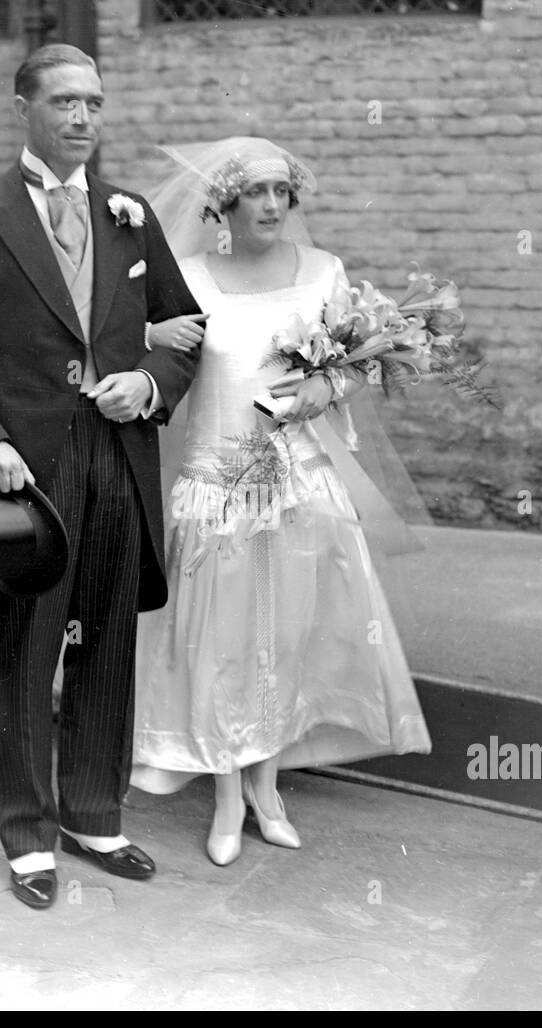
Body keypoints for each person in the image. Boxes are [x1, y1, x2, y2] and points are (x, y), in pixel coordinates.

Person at [0, 44, 201, 911]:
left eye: (95, 104)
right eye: (65, 101)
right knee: (30, 648)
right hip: (26, 476)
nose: (82, 118)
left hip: (118, 459)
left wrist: (149, 384)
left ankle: (95, 815)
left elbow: (182, 324)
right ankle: (29, 835)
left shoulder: (130, 215)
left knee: (107, 634)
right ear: (23, 108)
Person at [130, 137, 432, 866]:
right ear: (225, 204)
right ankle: (228, 794)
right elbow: (163, 370)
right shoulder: (191, 279)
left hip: (301, 484)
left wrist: (328, 388)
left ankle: (269, 788)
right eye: (255, 192)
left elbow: (353, 368)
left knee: (288, 638)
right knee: (223, 643)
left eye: (281, 192)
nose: (271, 205)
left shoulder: (325, 273)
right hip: (219, 485)